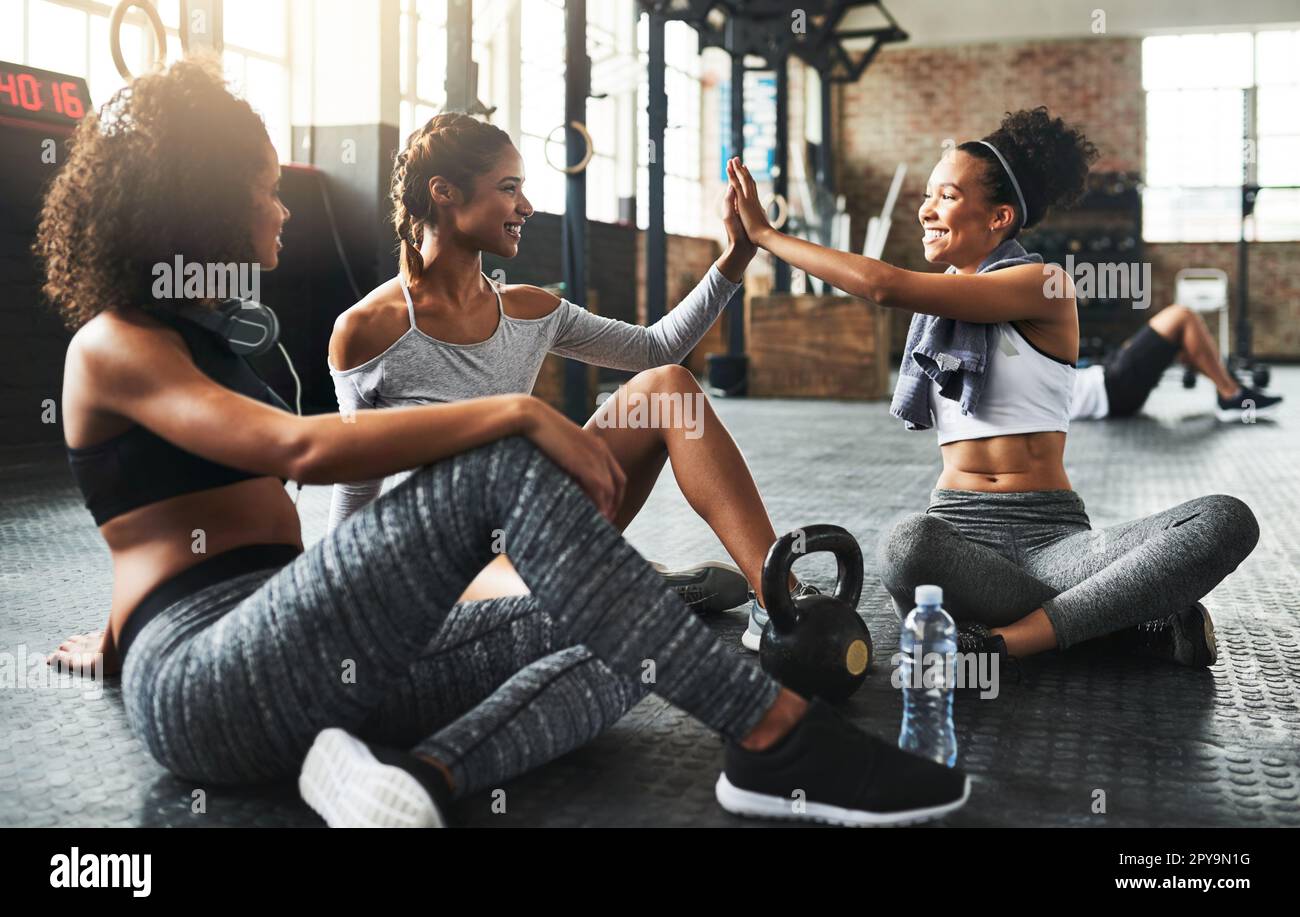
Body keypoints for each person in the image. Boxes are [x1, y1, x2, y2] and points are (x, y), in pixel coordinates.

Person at [41, 56, 968, 828]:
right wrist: (518, 412)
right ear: (200, 200)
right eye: (262, 190)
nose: (279, 207)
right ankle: (773, 735)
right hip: (213, 683)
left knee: (630, 626)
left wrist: (734, 258)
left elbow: (159, 525)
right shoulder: (116, 344)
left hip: (309, 658)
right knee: (503, 463)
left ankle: (419, 781)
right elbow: (298, 450)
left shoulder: (218, 338)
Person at [725, 107, 1260, 672]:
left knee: (1225, 518)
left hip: (1056, 543)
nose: (926, 210)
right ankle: (1113, 624)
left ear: (999, 216)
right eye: (927, 196)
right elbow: (896, 289)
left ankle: (1003, 644)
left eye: (947, 196)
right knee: (905, 546)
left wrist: (765, 235)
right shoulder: (939, 304)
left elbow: (883, 286)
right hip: (958, 534)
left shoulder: (1045, 284)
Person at [327, 111, 810, 645]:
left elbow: (656, 347)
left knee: (669, 385)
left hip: (540, 528)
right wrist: (336, 609)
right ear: (444, 193)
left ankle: (778, 599)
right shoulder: (367, 330)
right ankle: (619, 582)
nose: (526, 207)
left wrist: (736, 257)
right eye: (509, 189)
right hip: (452, 571)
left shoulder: (530, 309)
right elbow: (355, 479)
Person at [1071, 305, 1282, 421]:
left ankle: (1228, 386)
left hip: (1102, 373)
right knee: (1182, 317)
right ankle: (1231, 395)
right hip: (1109, 388)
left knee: (1179, 338)